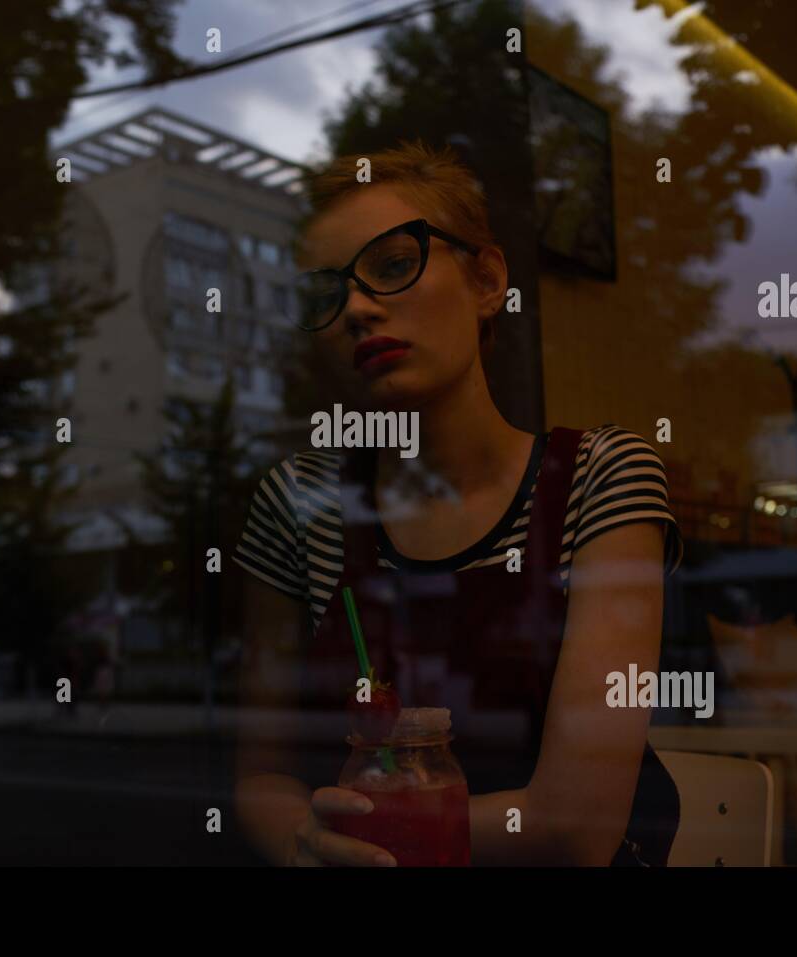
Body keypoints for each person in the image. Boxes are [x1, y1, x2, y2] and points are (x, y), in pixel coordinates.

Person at [232, 141, 684, 866]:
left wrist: (373, 835)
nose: (354, 307)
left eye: (391, 264)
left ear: (487, 280)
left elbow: (576, 827)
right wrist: (305, 843)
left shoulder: (600, 475)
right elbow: (261, 775)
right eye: (326, 294)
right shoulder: (301, 502)